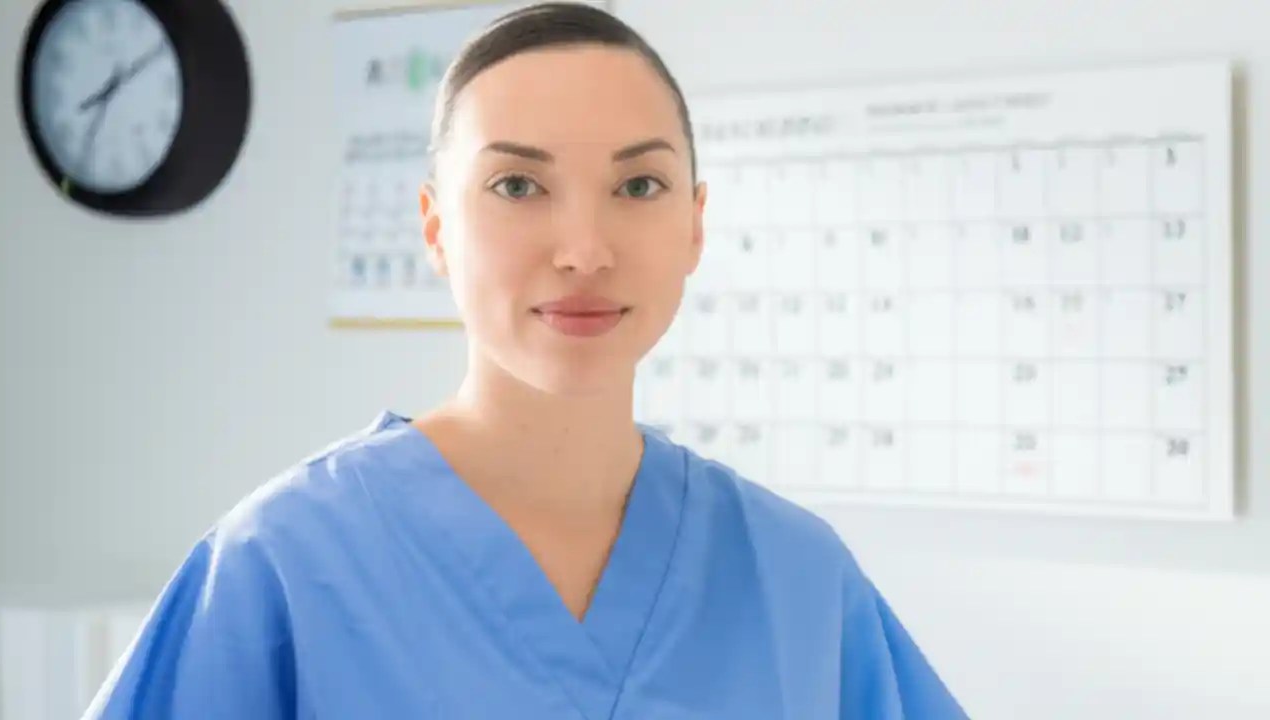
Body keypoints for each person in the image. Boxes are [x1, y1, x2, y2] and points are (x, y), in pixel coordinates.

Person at [84, 3, 968, 718]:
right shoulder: (283, 567)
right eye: (517, 185)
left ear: (695, 225)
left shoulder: (798, 583)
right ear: (436, 228)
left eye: (639, 185)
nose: (584, 250)